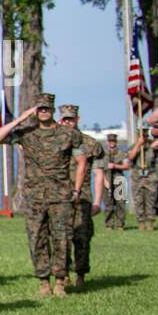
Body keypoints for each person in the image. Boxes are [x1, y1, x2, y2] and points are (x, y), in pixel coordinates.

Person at [0, 93, 87, 297]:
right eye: (39, 108)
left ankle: (60, 281)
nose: (43, 112)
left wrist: (77, 190)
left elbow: (81, 162)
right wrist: (21, 118)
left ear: (52, 110)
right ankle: (43, 282)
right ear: (35, 110)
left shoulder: (68, 134)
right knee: (36, 239)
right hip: (34, 196)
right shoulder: (26, 132)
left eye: (46, 109)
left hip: (61, 195)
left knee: (62, 238)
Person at [58, 105, 104, 288]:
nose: (68, 122)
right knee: (61, 238)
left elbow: (98, 173)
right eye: (65, 119)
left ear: (78, 119)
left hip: (83, 198)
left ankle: (80, 274)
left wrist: (98, 202)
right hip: (59, 197)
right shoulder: (55, 141)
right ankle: (63, 274)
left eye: (71, 119)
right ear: (60, 120)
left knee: (82, 237)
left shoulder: (91, 144)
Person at [127, 128, 158, 230]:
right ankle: (141, 222)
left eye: (145, 136)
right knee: (138, 200)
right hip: (137, 176)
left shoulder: (153, 147)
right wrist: (138, 145)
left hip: (150, 175)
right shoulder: (134, 147)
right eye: (141, 136)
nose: (144, 138)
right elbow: (130, 157)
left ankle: (150, 222)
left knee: (151, 200)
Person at [100, 132, 130, 230]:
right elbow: (99, 168)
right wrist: (104, 181)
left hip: (119, 178)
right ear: (107, 142)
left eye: (113, 141)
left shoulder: (122, 153)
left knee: (120, 203)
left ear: (116, 142)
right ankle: (109, 224)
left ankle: (120, 224)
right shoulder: (102, 154)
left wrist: (115, 166)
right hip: (106, 179)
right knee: (108, 203)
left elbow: (126, 166)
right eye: (110, 141)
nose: (111, 143)